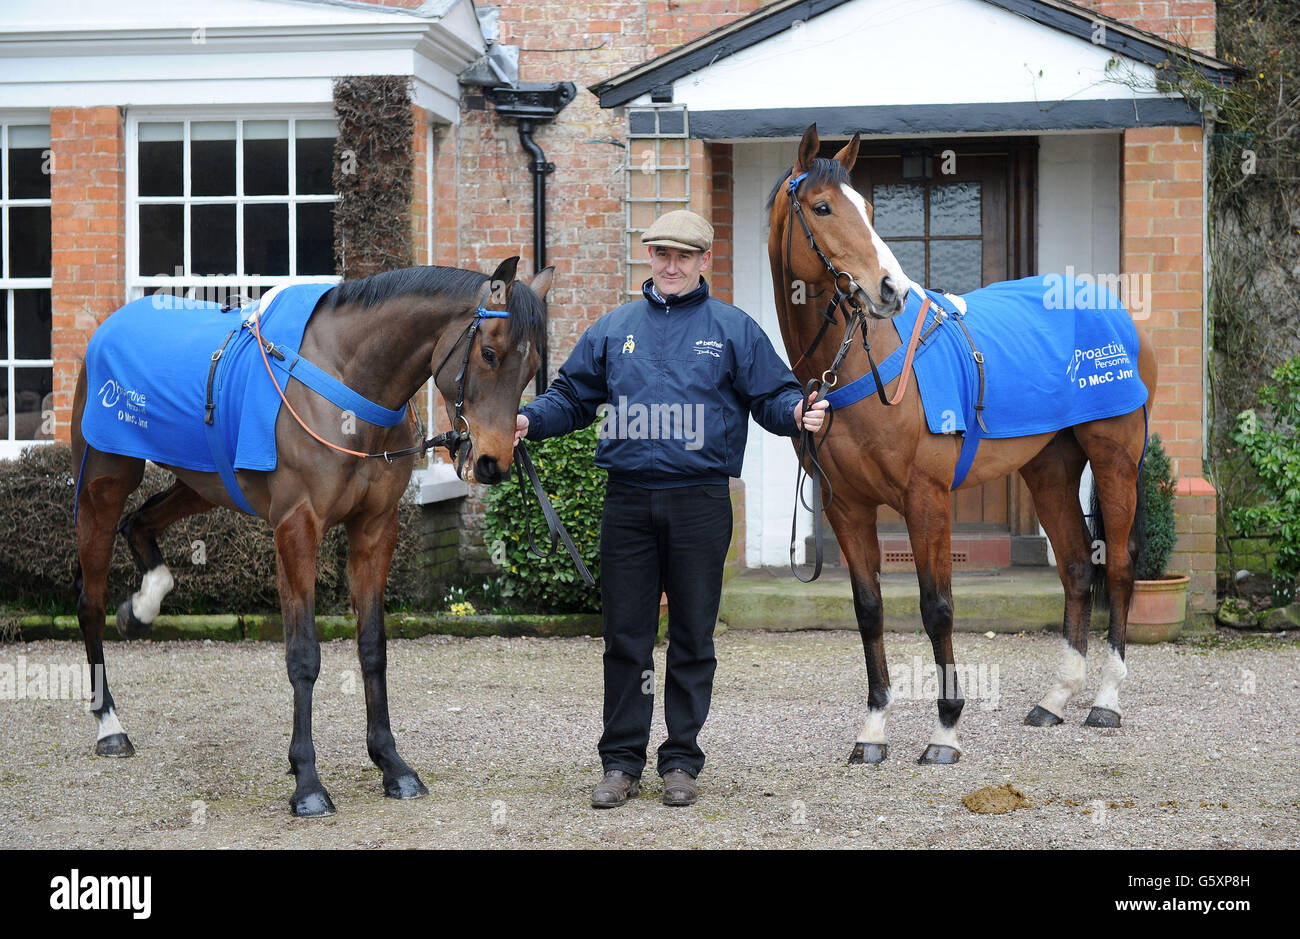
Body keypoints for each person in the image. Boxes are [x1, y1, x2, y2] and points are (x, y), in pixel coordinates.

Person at [515, 209, 827, 809]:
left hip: (699, 500)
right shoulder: (613, 328)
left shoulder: (732, 328)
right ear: (650, 257)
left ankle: (681, 758)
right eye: (662, 254)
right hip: (627, 501)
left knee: (691, 634)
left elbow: (773, 394)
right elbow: (572, 397)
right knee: (626, 637)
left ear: (704, 261)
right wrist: (529, 420)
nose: (672, 265)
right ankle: (621, 762)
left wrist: (796, 412)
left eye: (685, 256)